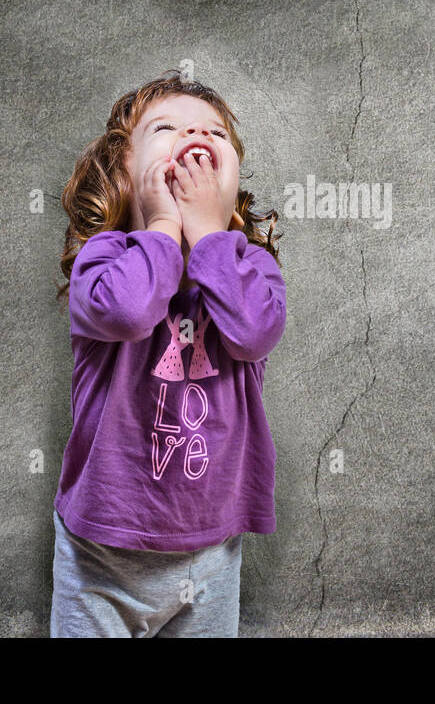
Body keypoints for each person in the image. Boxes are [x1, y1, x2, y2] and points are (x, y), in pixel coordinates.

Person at [50, 69, 286, 637]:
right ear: (124, 173)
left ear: (232, 182)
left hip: (211, 548)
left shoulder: (251, 267)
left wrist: (209, 237)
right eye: (166, 128)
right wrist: (162, 224)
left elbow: (253, 331)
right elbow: (129, 312)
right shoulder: (102, 259)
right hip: (100, 553)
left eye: (214, 134)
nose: (194, 138)